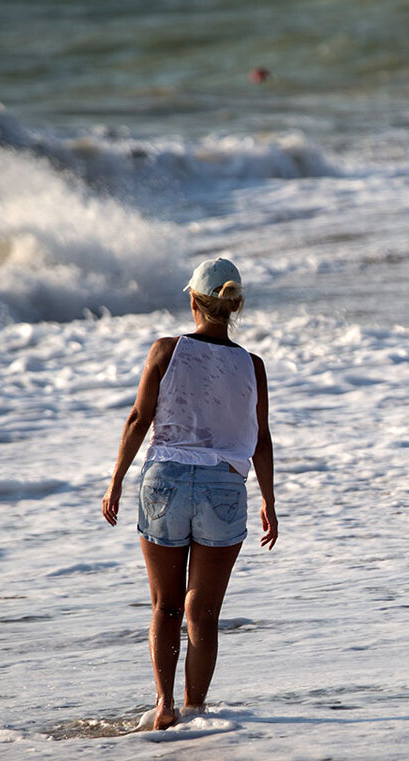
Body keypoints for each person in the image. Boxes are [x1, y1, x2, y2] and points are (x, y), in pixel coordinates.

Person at [102, 257, 278, 731]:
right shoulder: (251, 365)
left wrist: (117, 478)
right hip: (224, 484)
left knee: (165, 606)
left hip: (166, 481)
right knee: (203, 612)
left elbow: (139, 419)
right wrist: (270, 501)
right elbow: (260, 438)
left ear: (194, 300)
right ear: (235, 306)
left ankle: (163, 706)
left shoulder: (166, 350)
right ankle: (196, 711)